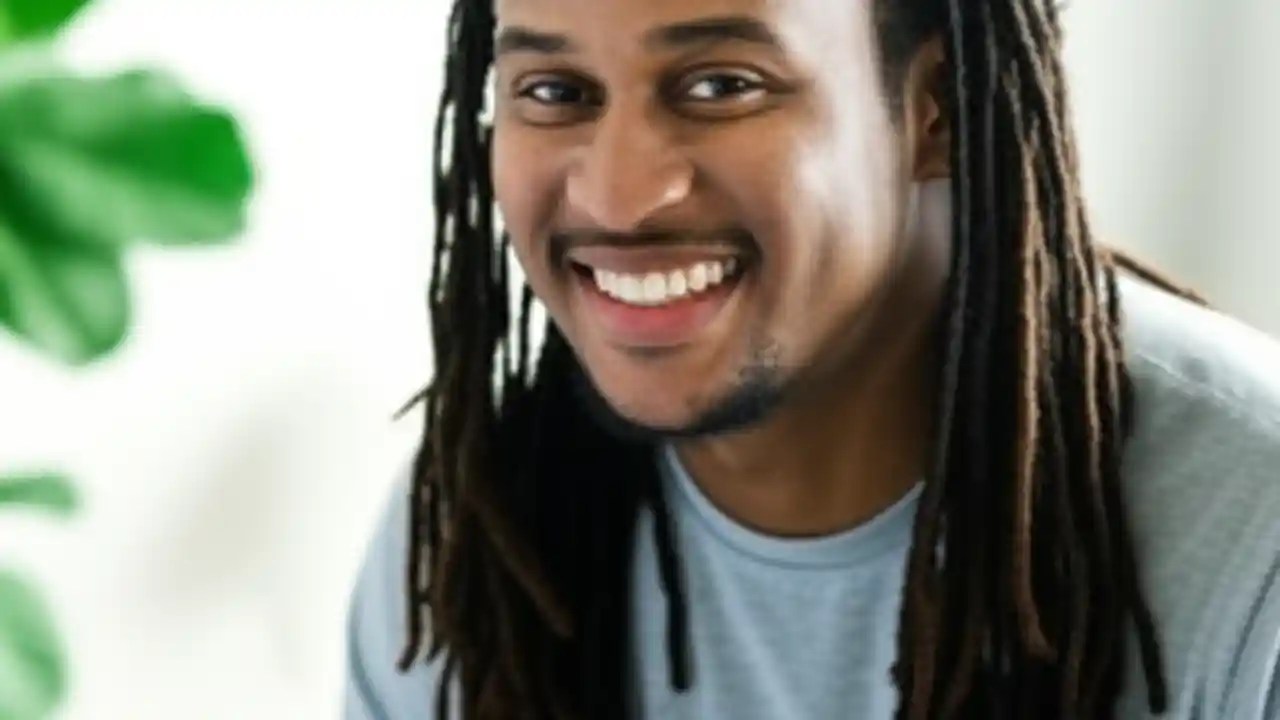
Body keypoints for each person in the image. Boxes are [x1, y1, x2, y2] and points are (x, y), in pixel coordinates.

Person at [344, 0, 1280, 717]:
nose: (622, 196)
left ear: (937, 110)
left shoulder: (1255, 538)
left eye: (721, 85)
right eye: (557, 93)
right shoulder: (477, 541)